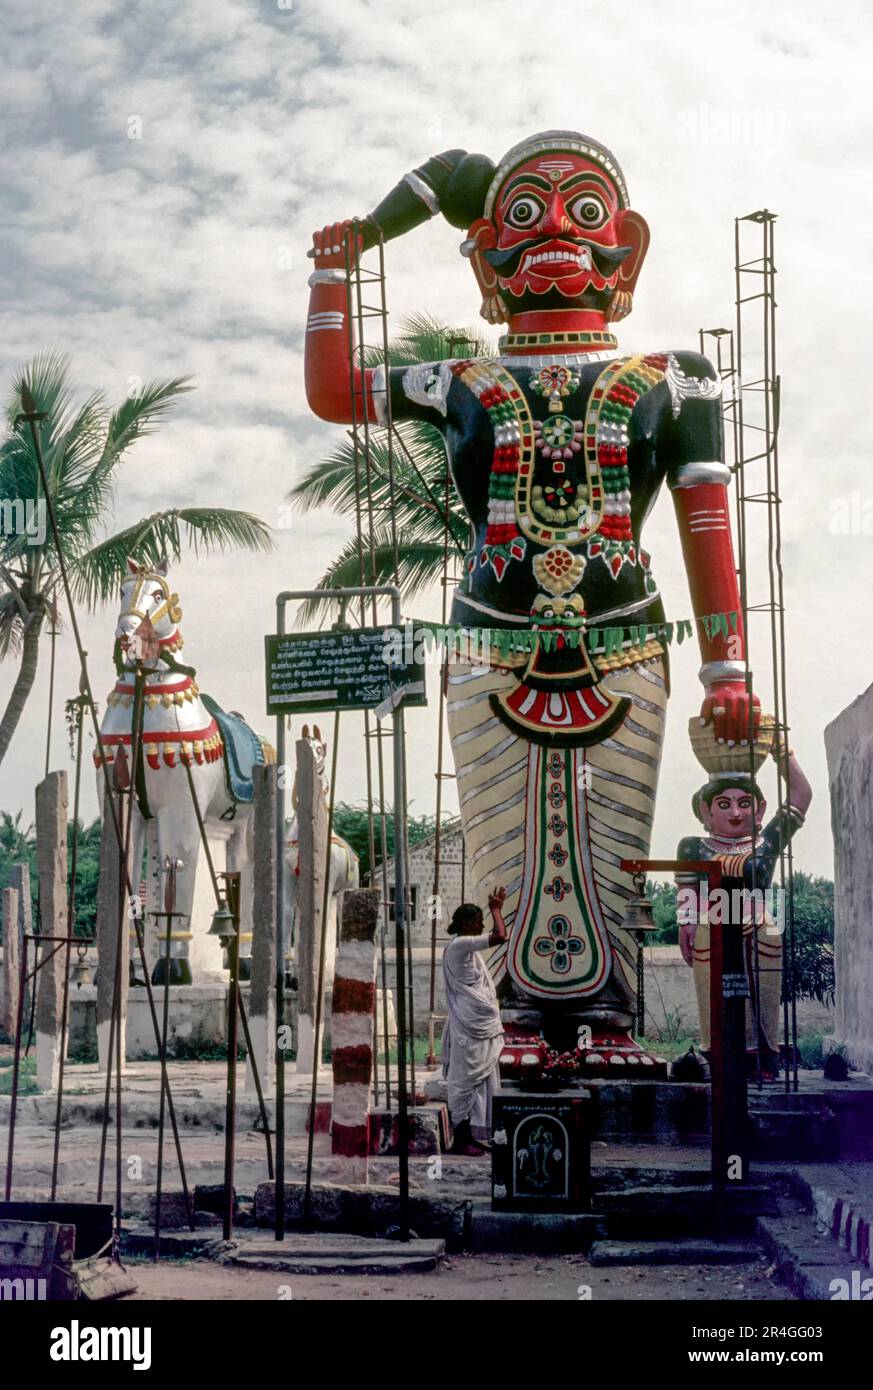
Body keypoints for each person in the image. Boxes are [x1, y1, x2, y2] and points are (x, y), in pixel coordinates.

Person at [676, 740, 812, 1079]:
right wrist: (686, 925)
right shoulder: (693, 846)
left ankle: (764, 1059)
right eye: (723, 804)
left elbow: (801, 795)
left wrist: (782, 750)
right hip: (713, 927)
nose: (735, 813)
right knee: (713, 997)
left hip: (762, 926)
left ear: (761, 809)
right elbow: (687, 891)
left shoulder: (767, 843)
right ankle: (718, 1058)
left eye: (744, 803)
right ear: (706, 812)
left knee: (764, 998)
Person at [441, 888, 508, 1155]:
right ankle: (460, 1139)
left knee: (479, 1081)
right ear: (467, 924)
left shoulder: (467, 949)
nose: (482, 925)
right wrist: (496, 911)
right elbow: (501, 936)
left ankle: (471, 1135)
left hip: (476, 1021)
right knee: (465, 1080)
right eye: (479, 920)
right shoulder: (459, 945)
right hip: (469, 1024)